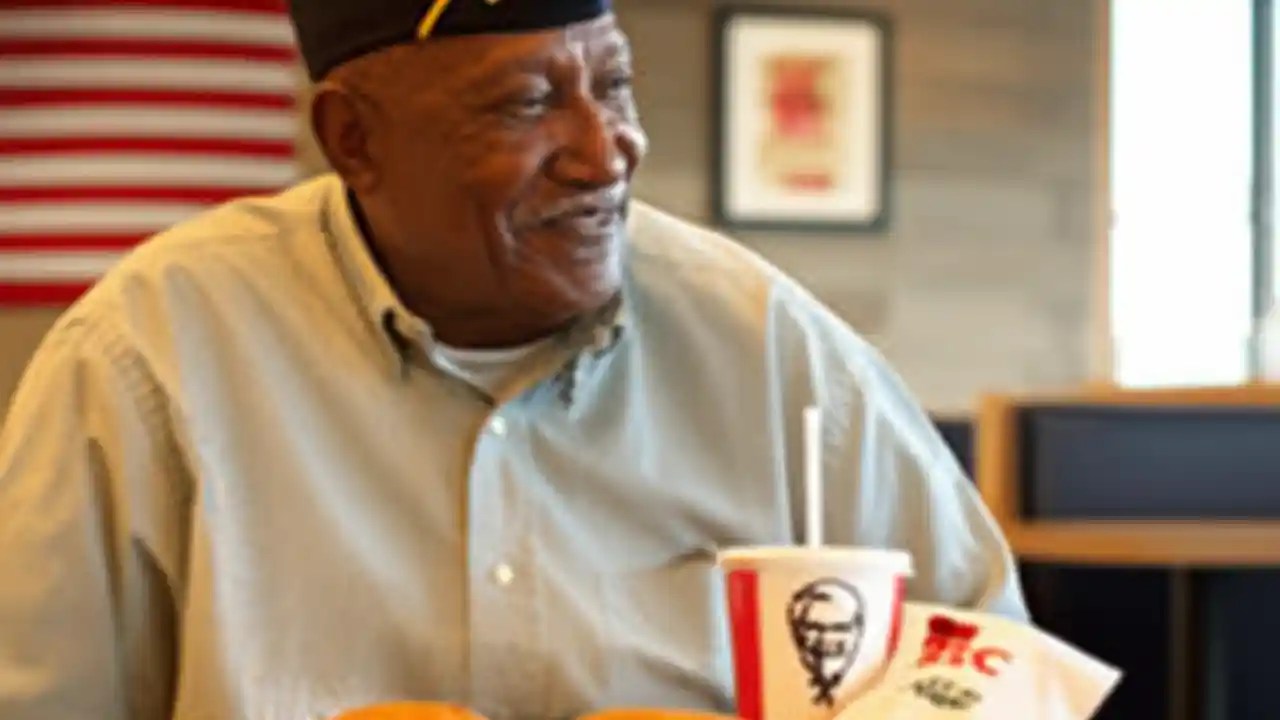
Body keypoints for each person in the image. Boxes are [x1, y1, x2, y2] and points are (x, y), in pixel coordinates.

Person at [0, 1, 1028, 719]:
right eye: (526, 104)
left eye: (612, 86)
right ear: (352, 140)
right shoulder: (147, 361)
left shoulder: (771, 350)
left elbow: (994, 675)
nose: (603, 150)